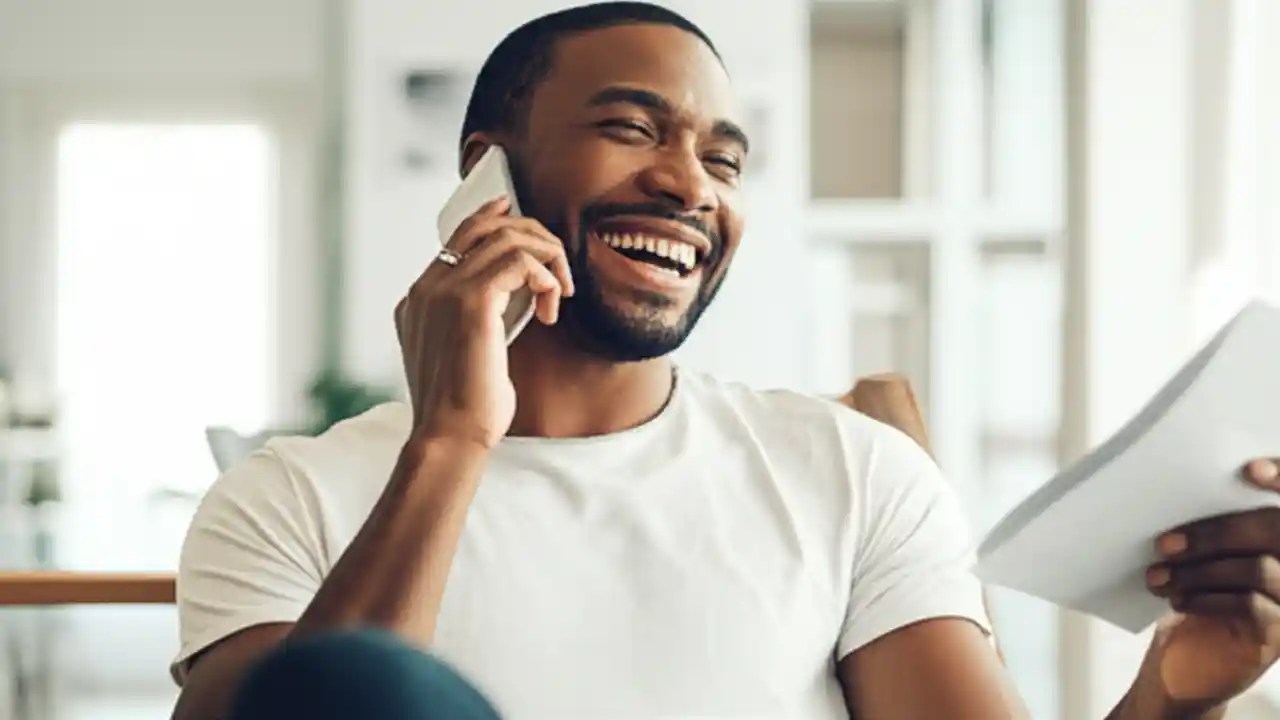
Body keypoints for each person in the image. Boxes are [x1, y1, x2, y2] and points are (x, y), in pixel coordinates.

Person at [170, 3, 1280, 718]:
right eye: (632, 127)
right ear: (487, 173)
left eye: (722, 159)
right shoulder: (287, 501)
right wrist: (452, 441)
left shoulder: (849, 472)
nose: (690, 185)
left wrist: (1170, 700)